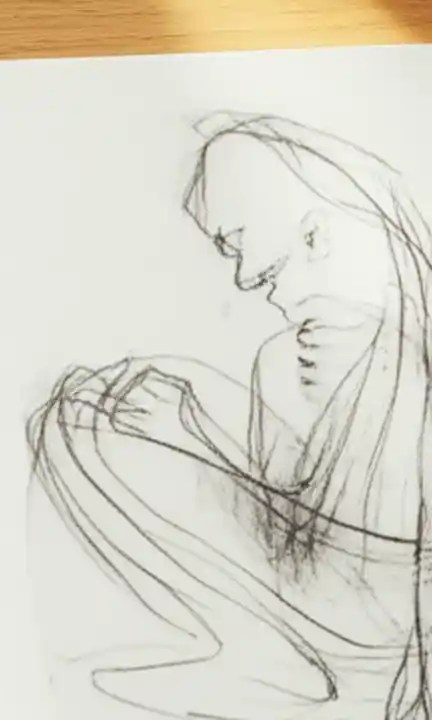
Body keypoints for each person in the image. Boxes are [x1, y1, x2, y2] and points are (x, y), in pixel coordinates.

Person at [27, 112, 432, 718]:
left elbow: (350, 590)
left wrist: (198, 443)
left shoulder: (407, 369)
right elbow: (287, 536)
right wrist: (194, 430)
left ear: (319, 235)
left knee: (90, 429)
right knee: (82, 418)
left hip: (374, 651)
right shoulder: (280, 361)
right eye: (230, 254)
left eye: (248, 251)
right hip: (311, 630)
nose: (244, 280)